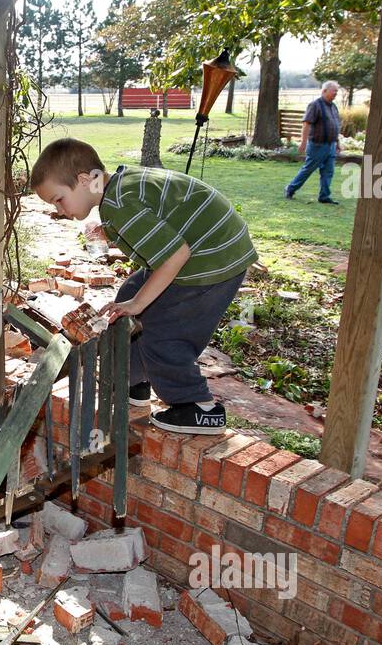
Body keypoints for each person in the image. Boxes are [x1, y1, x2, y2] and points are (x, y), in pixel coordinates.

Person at [31, 138, 257, 435]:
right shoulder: (116, 188)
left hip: (212, 261)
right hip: (208, 248)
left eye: (58, 199)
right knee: (128, 295)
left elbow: (176, 254)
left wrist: (139, 304)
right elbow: (152, 220)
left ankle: (198, 406)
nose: (59, 210)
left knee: (163, 335)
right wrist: (112, 236)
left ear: (84, 180)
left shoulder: (119, 205)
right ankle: (134, 378)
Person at [284, 80, 342, 205]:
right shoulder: (315, 105)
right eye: (334, 91)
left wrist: (337, 142)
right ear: (324, 91)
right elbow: (306, 124)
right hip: (317, 145)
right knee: (308, 169)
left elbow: (335, 125)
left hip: (330, 145)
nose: (336, 93)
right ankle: (290, 189)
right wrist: (303, 142)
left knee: (328, 171)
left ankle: (324, 196)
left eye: (337, 91)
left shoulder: (333, 107)